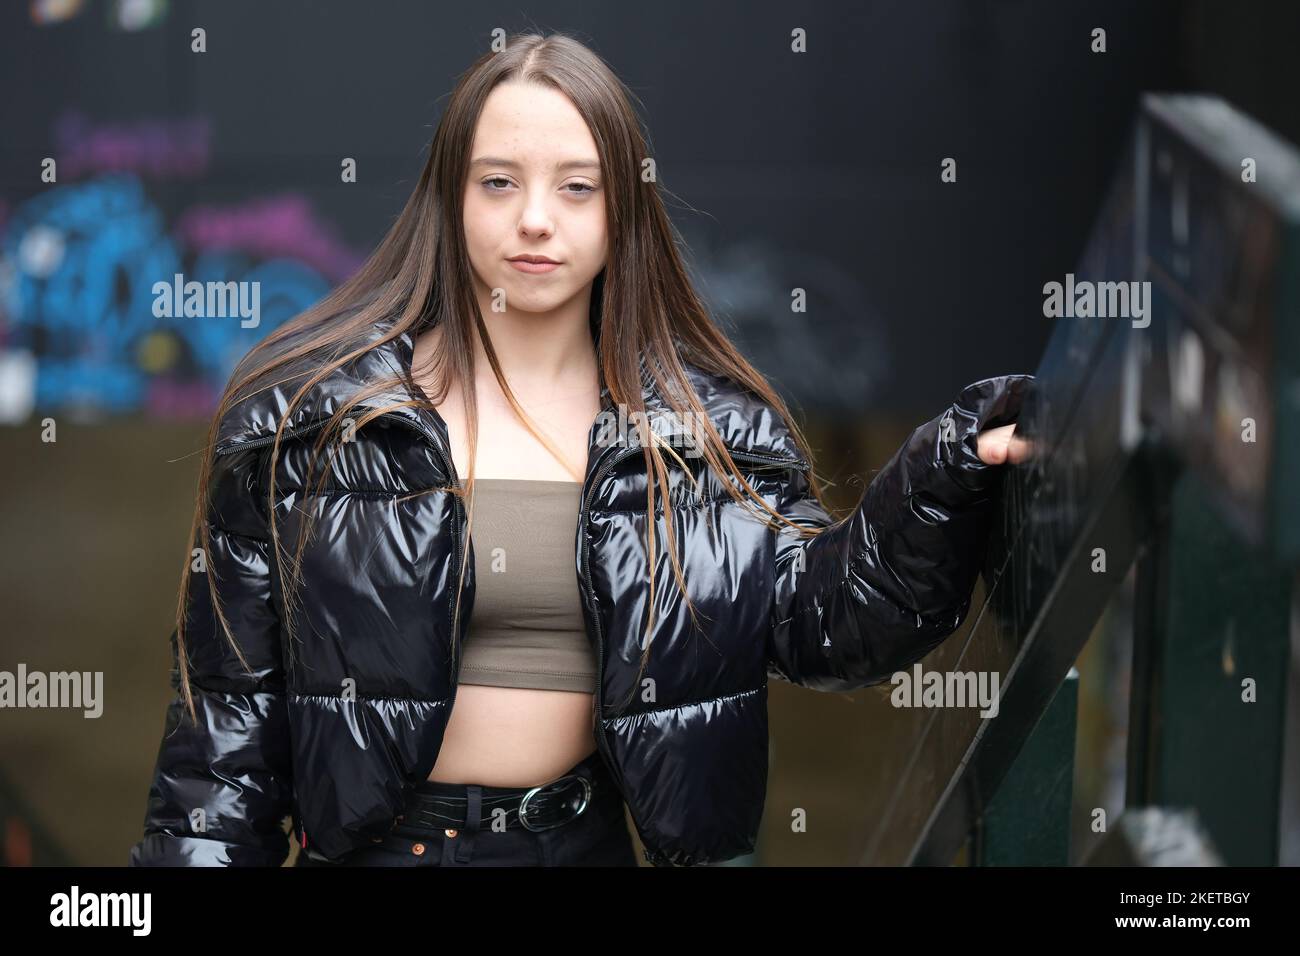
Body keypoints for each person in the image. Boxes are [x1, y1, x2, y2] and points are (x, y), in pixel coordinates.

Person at [129, 31, 1032, 868]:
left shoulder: (704, 429)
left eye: (575, 185)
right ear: (449, 194)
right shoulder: (308, 418)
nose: (534, 220)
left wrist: (942, 470)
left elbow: (828, 625)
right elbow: (223, 747)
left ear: (622, 206)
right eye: (497, 182)